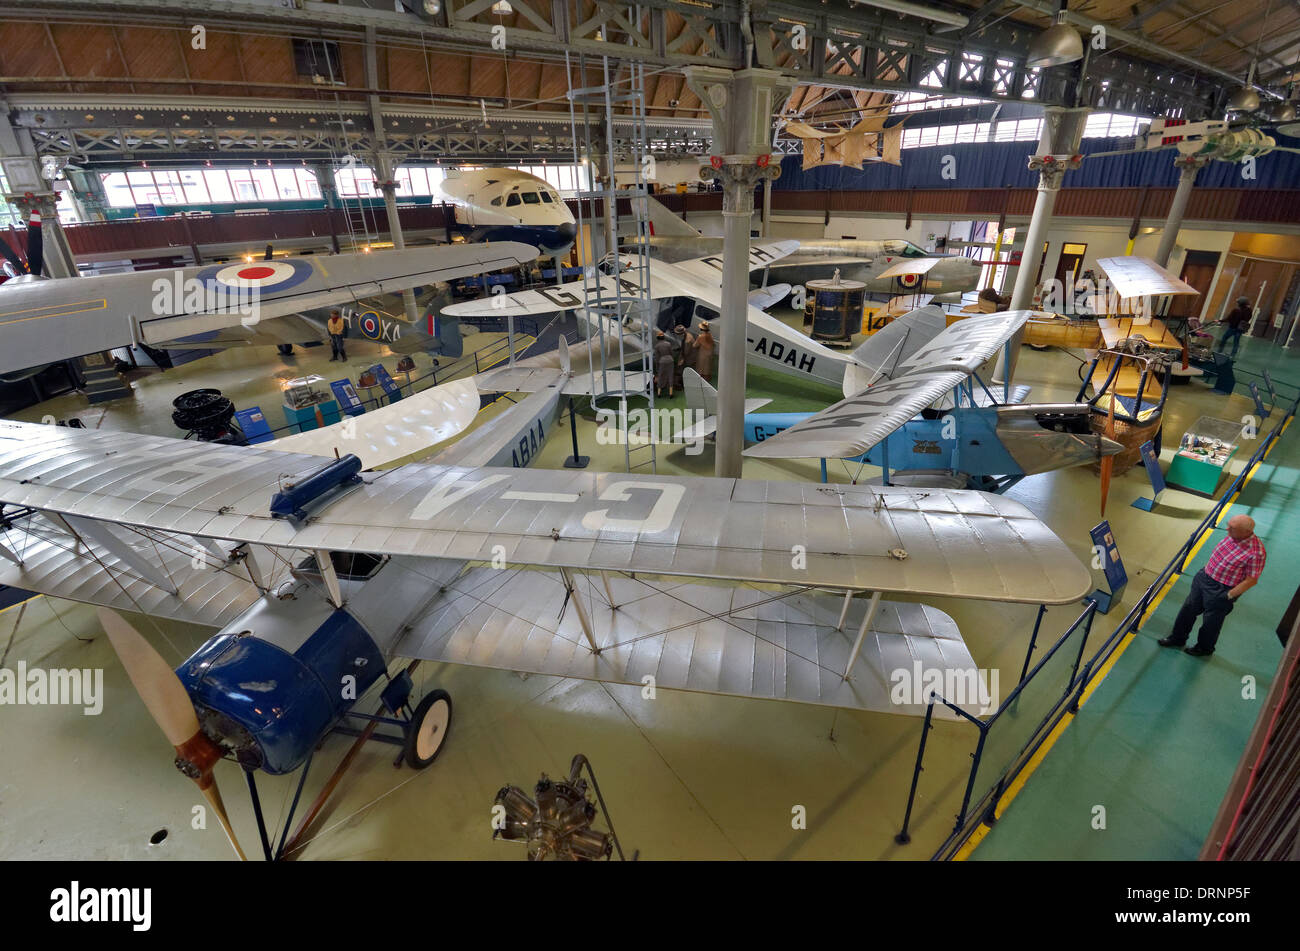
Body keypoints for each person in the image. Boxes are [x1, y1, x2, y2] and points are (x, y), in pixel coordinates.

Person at [1159, 515, 1265, 656]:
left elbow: (1251, 580)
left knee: (1211, 622)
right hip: (1205, 577)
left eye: (1232, 528)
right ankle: (1178, 638)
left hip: (1222, 589)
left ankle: (1204, 648)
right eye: (1228, 525)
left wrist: (1229, 595)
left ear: (1246, 532)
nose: (1227, 528)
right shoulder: (1232, 535)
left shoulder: (1256, 552)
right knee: (1188, 609)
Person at [653, 331, 675, 398]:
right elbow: (671, 353)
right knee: (670, 375)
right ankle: (671, 393)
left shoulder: (657, 346)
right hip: (670, 360)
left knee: (660, 376)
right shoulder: (668, 344)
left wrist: (657, 368)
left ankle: (659, 393)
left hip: (662, 361)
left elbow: (657, 358)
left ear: (658, 338)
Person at [672, 324, 694, 389]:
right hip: (687, 355)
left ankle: (679, 384)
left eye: (677, 334)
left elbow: (686, 353)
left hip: (688, 358)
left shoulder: (687, 341)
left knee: (681, 370)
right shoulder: (687, 335)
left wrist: (681, 361)